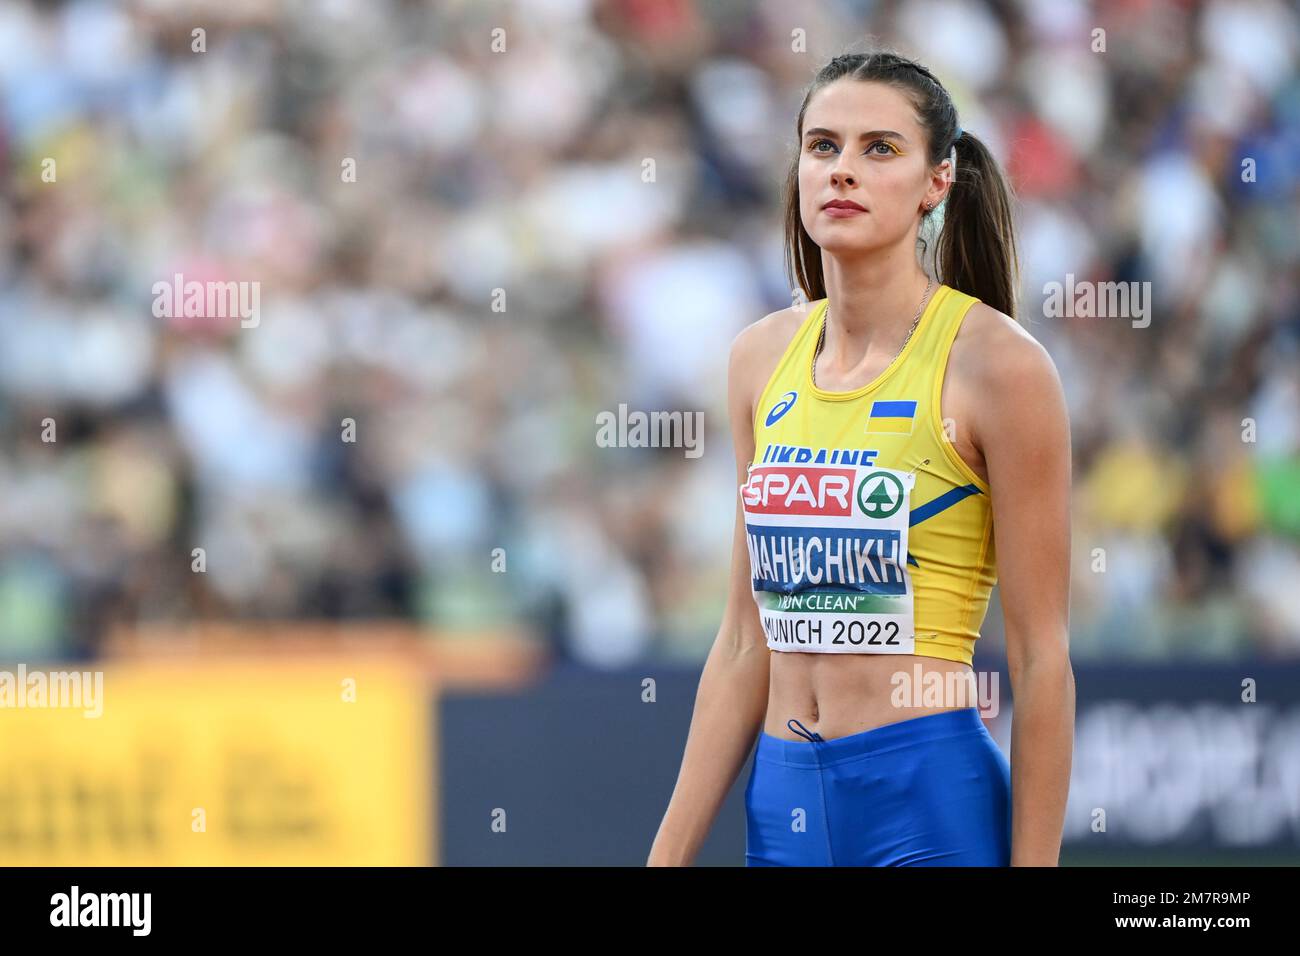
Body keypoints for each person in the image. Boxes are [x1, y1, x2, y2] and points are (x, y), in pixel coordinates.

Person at [648, 49, 1074, 866]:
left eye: (879, 149)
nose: (843, 170)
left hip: (925, 798)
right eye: (823, 146)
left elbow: (1040, 657)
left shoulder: (999, 366)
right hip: (782, 801)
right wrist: (666, 856)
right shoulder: (758, 357)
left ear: (936, 180)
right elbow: (744, 641)